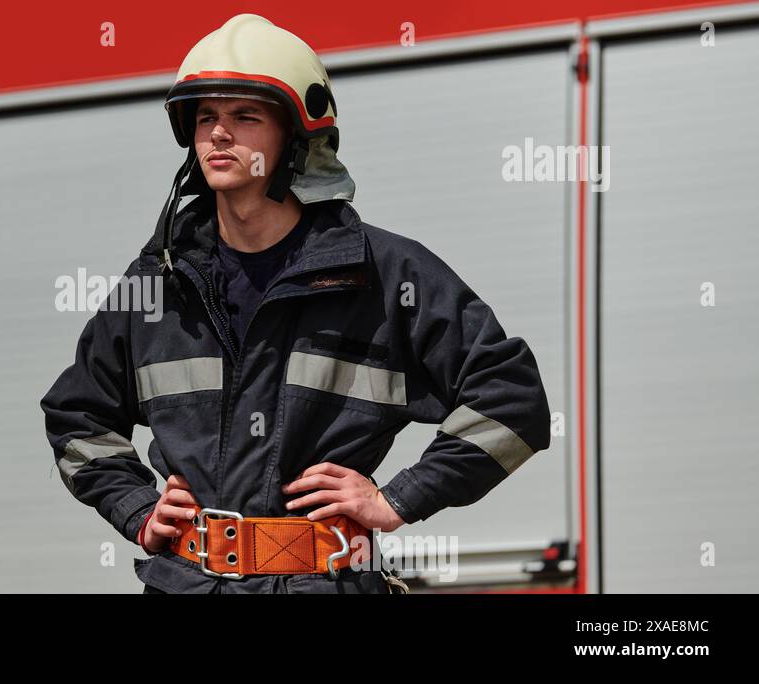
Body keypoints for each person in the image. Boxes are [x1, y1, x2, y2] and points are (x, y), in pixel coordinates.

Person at [40, 13, 551, 594]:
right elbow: (75, 415)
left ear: (298, 136)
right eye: (205, 116)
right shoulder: (158, 283)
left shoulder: (382, 275)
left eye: (245, 116)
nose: (219, 134)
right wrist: (136, 507)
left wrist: (399, 498)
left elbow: (514, 402)